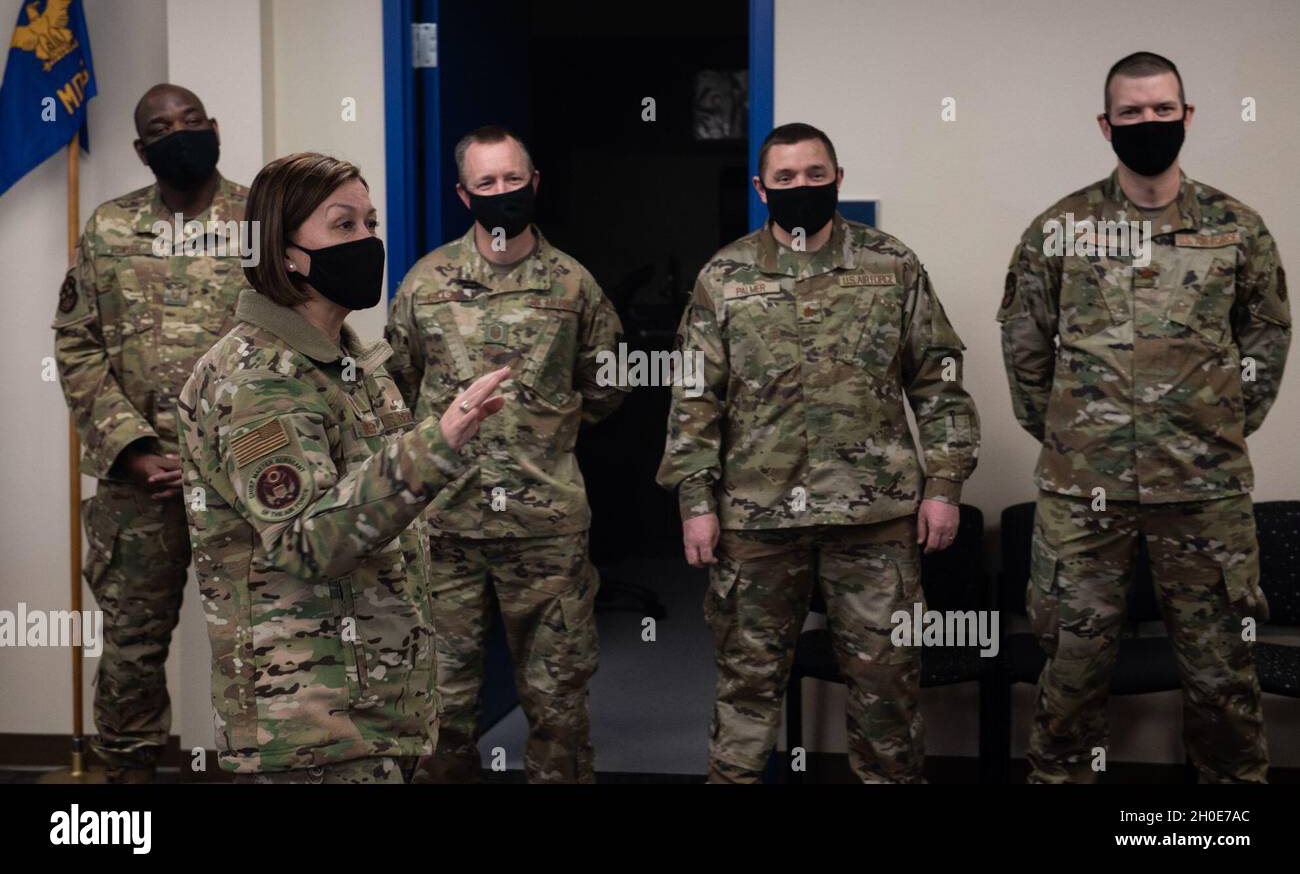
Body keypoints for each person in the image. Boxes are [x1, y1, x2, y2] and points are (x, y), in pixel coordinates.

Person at [997, 52, 1290, 784]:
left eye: (1163, 110)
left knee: (1223, 686)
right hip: (1081, 499)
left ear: (1187, 116)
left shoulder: (1236, 229)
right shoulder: (1058, 228)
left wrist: (1210, 427)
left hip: (1203, 494)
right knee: (1068, 684)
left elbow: (1267, 341)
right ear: (1106, 124)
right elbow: (1024, 349)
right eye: (1132, 112)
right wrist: (1075, 435)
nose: (1148, 123)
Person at [657, 123, 980, 783]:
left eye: (813, 175)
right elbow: (695, 398)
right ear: (760, 188)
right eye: (785, 178)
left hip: (875, 521)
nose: (800, 187)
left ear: (836, 177)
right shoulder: (724, 276)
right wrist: (695, 501)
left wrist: (944, 484)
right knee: (746, 695)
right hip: (757, 520)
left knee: (887, 696)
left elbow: (938, 380)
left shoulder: (892, 265)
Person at [178, 151, 507, 783]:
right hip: (309, 722)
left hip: (373, 706)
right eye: (343, 225)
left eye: (370, 222)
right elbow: (310, 542)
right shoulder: (258, 379)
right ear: (284, 251)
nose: (367, 241)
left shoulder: (349, 361)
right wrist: (433, 445)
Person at [386, 125, 629, 783]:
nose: (502, 193)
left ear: (534, 183)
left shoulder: (574, 285)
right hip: (447, 532)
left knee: (557, 709)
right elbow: (395, 395)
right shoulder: (423, 284)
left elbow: (606, 388)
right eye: (486, 183)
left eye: (512, 179)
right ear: (464, 196)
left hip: (545, 532)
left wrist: (538, 434)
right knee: (441, 711)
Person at [51, 83, 247, 784]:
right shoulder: (108, 229)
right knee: (131, 655)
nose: (181, 131)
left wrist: (243, 454)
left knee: (261, 651)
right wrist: (131, 448)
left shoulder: (263, 219)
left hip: (246, 488)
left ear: (215, 126)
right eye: (162, 126)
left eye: (192, 119)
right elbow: (76, 346)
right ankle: (127, 802)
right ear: (142, 149)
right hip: (138, 491)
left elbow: (300, 344)